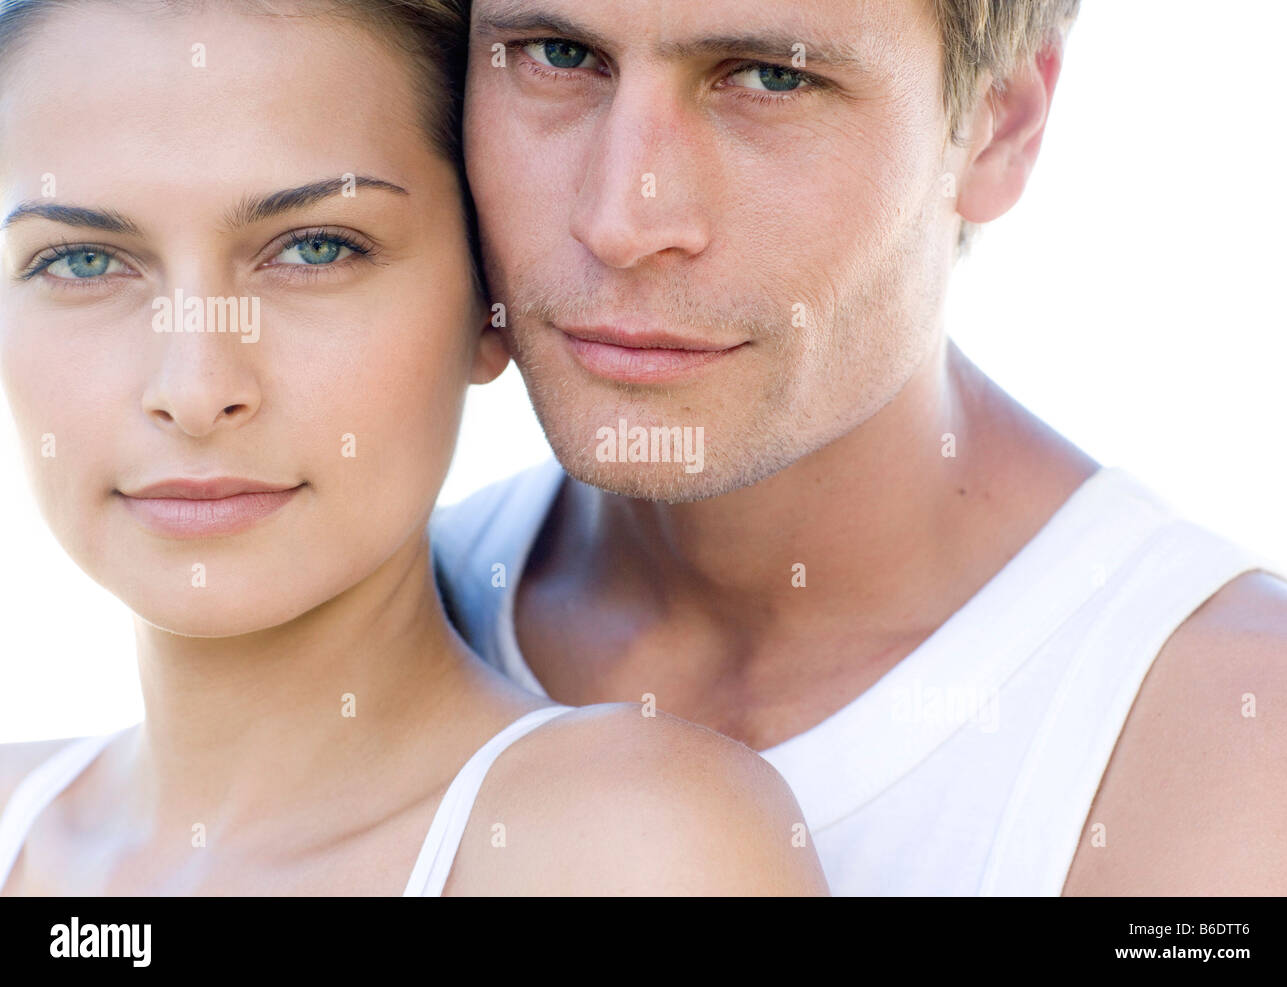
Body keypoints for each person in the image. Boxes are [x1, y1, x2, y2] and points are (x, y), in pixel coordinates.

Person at [432, 0, 1287, 895]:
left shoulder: (1245, 752)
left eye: (774, 76)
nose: (621, 219)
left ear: (999, 125)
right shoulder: (346, 627)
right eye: (560, 54)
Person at [0, 0, 828, 896]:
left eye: (316, 249)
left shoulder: (626, 848)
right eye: (80, 262)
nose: (195, 391)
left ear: (491, 299)